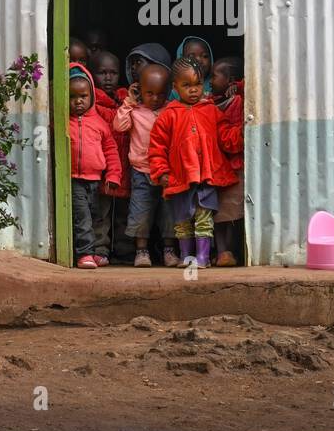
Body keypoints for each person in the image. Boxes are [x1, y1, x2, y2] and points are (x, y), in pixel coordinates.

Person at [147, 56, 239, 268]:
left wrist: (241, 134)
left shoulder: (212, 110)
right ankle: (187, 257)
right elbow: (157, 147)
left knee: (204, 220)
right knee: (182, 222)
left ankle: (203, 258)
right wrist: (161, 172)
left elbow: (225, 136)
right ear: (175, 87)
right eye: (186, 85)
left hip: (206, 178)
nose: (193, 90)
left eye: (198, 84)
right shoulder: (168, 115)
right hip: (179, 179)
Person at [114, 63, 176, 268]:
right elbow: (119, 125)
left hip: (168, 172)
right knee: (141, 212)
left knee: (169, 213)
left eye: (160, 94)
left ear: (168, 92)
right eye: (149, 93)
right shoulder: (135, 111)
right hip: (141, 171)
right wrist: (129, 102)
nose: (155, 98)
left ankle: (169, 250)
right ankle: (141, 252)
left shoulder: (172, 110)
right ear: (139, 90)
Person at [67, 63, 121, 269]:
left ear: (92, 96)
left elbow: (111, 151)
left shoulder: (99, 123)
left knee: (98, 218)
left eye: (83, 96)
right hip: (74, 179)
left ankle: (98, 251)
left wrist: (114, 176)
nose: (78, 101)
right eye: (72, 97)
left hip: (96, 180)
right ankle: (84, 254)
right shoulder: (63, 121)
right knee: (82, 218)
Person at [89, 50, 130, 264]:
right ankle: (100, 249)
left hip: (126, 167)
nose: (107, 78)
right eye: (101, 72)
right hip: (104, 168)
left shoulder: (127, 100)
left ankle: (124, 251)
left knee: (124, 212)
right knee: (101, 212)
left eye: (113, 72)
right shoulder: (91, 103)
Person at [210, 56, 246, 267]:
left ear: (230, 80)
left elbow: (232, 141)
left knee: (228, 215)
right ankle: (223, 252)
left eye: (214, 76)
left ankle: (227, 253)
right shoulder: (217, 100)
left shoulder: (237, 102)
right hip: (219, 169)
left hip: (232, 169)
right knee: (220, 214)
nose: (210, 81)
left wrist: (220, 133)